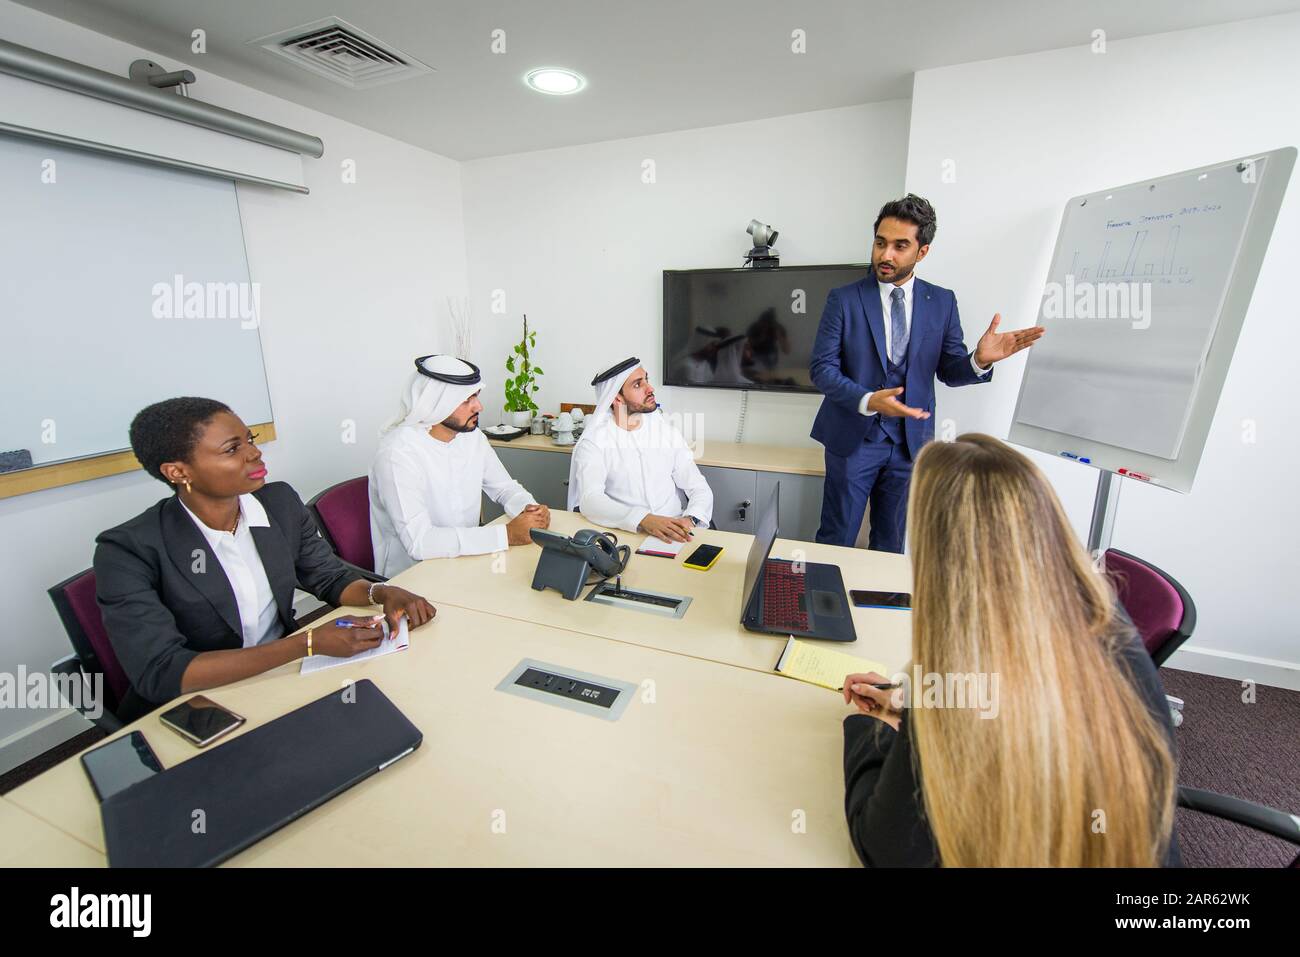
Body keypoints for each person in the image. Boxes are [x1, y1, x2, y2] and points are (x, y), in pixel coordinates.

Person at [840, 434, 1179, 867]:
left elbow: (887, 851)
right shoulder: (1103, 616)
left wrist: (872, 732)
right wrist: (907, 704)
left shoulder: (958, 670)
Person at [95, 397, 435, 722]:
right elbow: (164, 671)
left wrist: (382, 593)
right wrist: (308, 643)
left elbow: (329, 577)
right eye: (232, 449)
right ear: (178, 472)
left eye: (250, 440)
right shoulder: (128, 549)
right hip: (198, 705)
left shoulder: (278, 504)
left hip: (280, 675)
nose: (255, 453)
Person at [809, 194, 1045, 552]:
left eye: (900, 246)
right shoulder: (844, 299)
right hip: (853, 441)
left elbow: (950, 370)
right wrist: (868, 399)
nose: (886, 255)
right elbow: (822, 369)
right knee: (836, 539)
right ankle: (820, 604)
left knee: (891, 542)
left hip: (910, 445)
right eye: (880, 243)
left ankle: (878, 607)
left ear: (922, 252)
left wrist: (979, 360)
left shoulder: (942, 301)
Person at [369, 355, 550, 576]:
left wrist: (530, 510)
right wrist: (506, 535)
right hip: (413, 580)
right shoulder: (397, 453)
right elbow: (420, 541)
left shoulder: (471, 437)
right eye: (467, 399)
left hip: (468, 560)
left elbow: (504, 488)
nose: (479, 406)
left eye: (476, 396)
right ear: (435, 402)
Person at [567, 357, 713, 543]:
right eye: (638, 385)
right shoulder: (594, 442)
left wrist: (690, 519)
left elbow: (698, 487)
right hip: (626, 535)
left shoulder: (666, 431)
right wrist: (643, 519)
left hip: (677, 532)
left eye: (646, 379)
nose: (650, 389)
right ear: (616, 397)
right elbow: (590, 500)